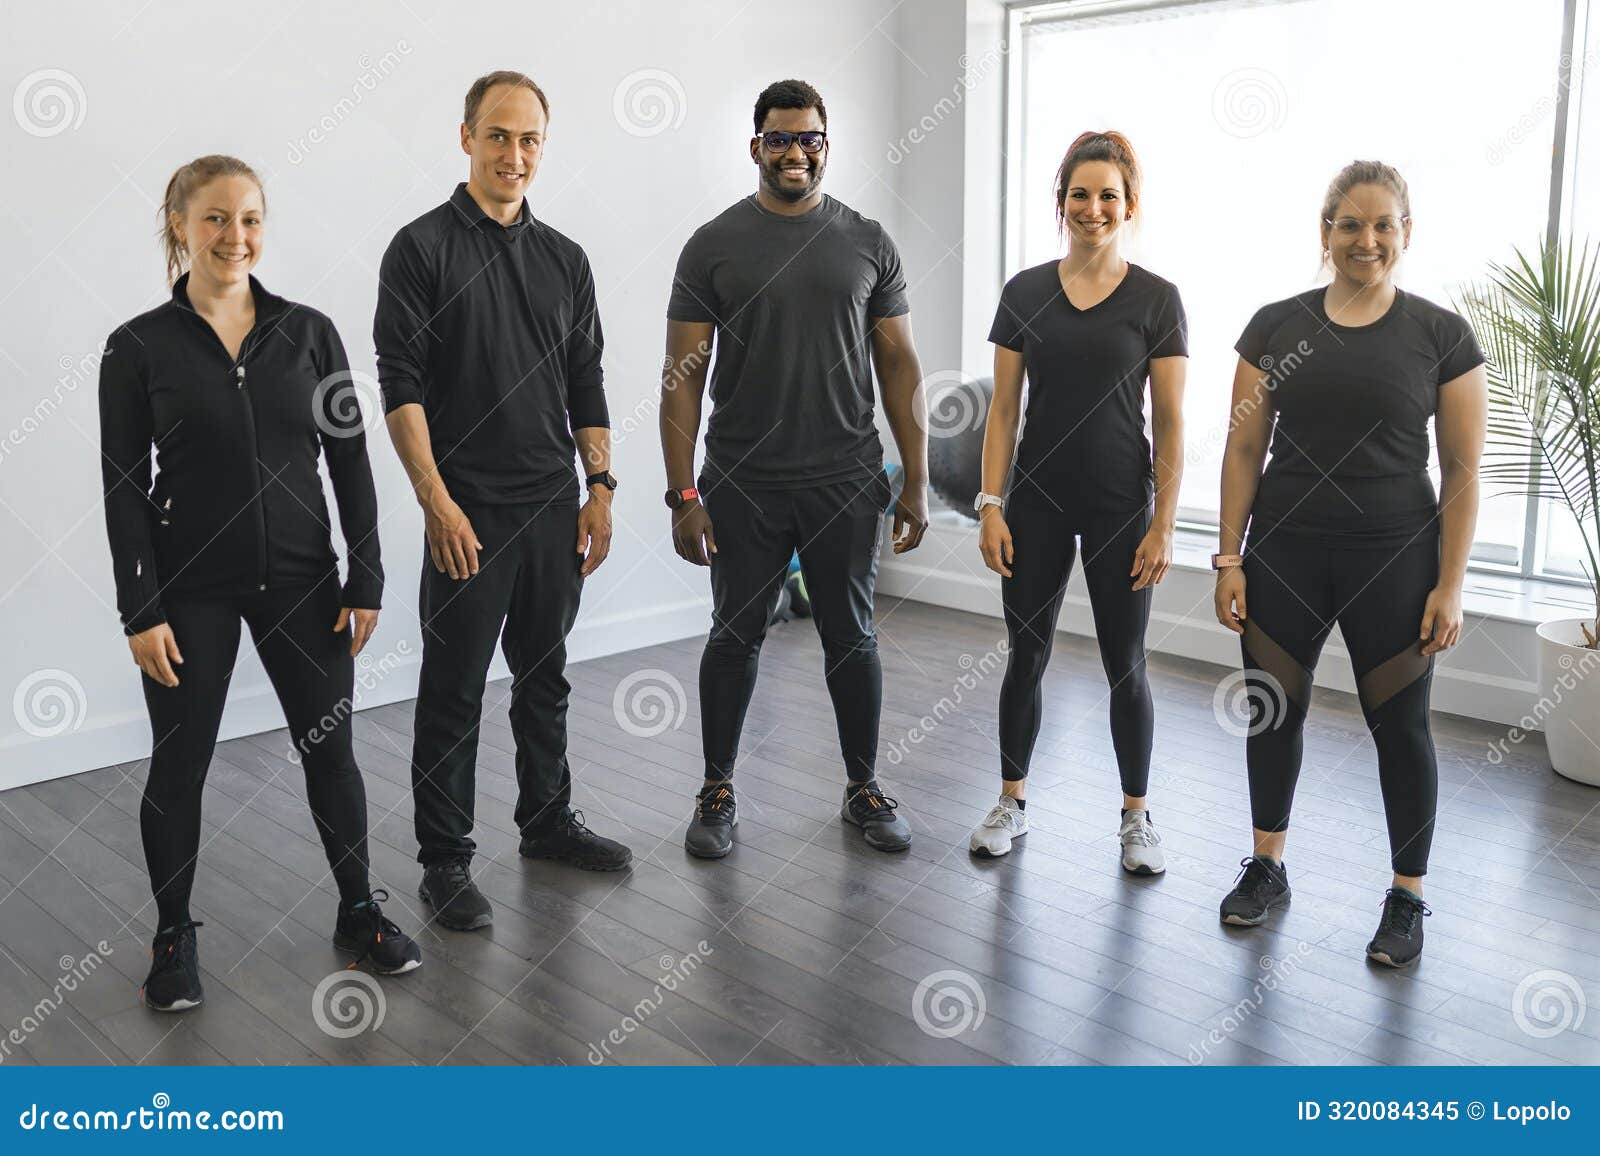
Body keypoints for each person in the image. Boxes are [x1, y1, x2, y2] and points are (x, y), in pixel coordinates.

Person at [99, 155, 421, 1012]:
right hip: (188, 589)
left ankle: (359, 910)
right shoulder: (136, 346)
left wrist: (369, 576)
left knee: (333, 754)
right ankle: (173, 935)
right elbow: (123, 489)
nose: (233, 236)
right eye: (213, 219)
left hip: (305, 584)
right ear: (180, 226)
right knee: (182, 764)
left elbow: (352, 463)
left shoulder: (311, 332)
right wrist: (140, 606)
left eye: (247, 219)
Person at [1212, 160, 1487, 968]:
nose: (1366, 240)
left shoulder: (1441, 335)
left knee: (1400, 729)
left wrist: (1451, 582)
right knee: (1272, 709)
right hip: (1286, 551)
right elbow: (1242, 447)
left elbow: (1465, 471)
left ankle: (1406, 897)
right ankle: (1267, 865)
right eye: (1349, 224)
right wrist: (1229, 557)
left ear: (1406, 233)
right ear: (1324, 231)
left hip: (1397, 558)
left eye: (1383, 225)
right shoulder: (1275, 325)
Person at [374, 71, 629, 933]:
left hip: (553, 505)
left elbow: (586, 383)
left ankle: (548, 820)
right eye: (498, 136)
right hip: (467, 515)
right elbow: (399, 387)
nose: (514, 154)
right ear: (466, 138)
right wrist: (436, 503)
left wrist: (599, 487)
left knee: (544, 677)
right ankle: (444, 863)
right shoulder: (420, 248)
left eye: (529, 140)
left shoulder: (566, 259)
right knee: (452, 690)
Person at [661, 79, 930, 859]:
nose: (794, 151)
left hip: (845, 476)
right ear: (756, 147)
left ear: (825, 146)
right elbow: (682, 374)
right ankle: (716, 791)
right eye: (779, 138)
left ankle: (864, 788)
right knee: (735, 635)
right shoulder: (712, 245)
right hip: (742, 480)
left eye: (809, 138)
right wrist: (683, 493)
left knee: (853, 637)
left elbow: (900, 364)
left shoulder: (868, 241)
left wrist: (913, 476)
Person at [970, 131, 1187, 872]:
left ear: (1131, 205)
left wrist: (1163, 523)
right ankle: (1011, 801)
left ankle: (1136, 818)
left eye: (1108, 196)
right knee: (1026, 653)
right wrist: (991, 504)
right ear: (1060, 201)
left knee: (1126, 663)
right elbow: (1003, 410)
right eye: (1080, 194)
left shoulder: (1158, 299)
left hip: (1120, 506)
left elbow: (1172, 423)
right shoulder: (1025, 292)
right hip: (1034, 501)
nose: (1093, 208)